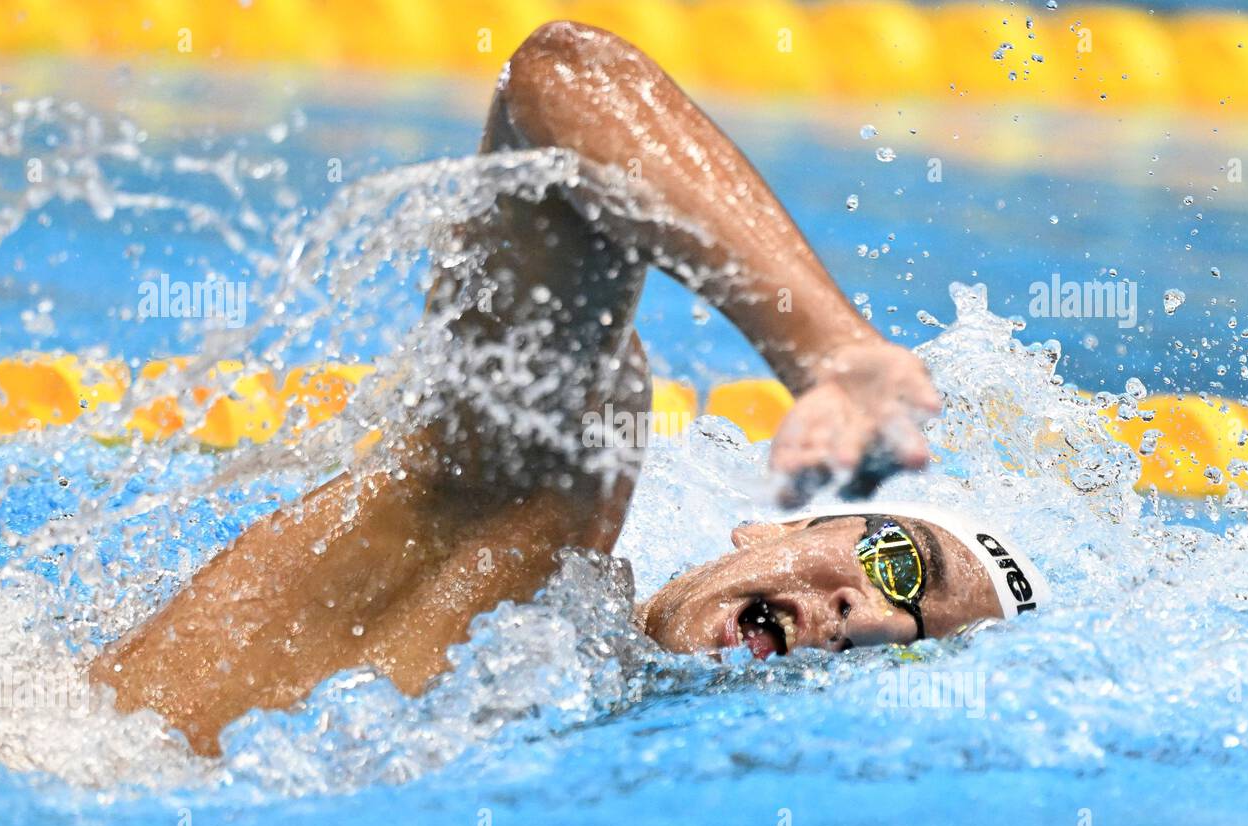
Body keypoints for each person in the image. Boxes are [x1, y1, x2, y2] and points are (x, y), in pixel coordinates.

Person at [90, 21, 1047, 756]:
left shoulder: (603, 729)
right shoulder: (530, 530)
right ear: (775, 528)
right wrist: (830, 353)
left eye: (913, 651)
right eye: (900, 566)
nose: (872, 622)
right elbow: (564, 75)